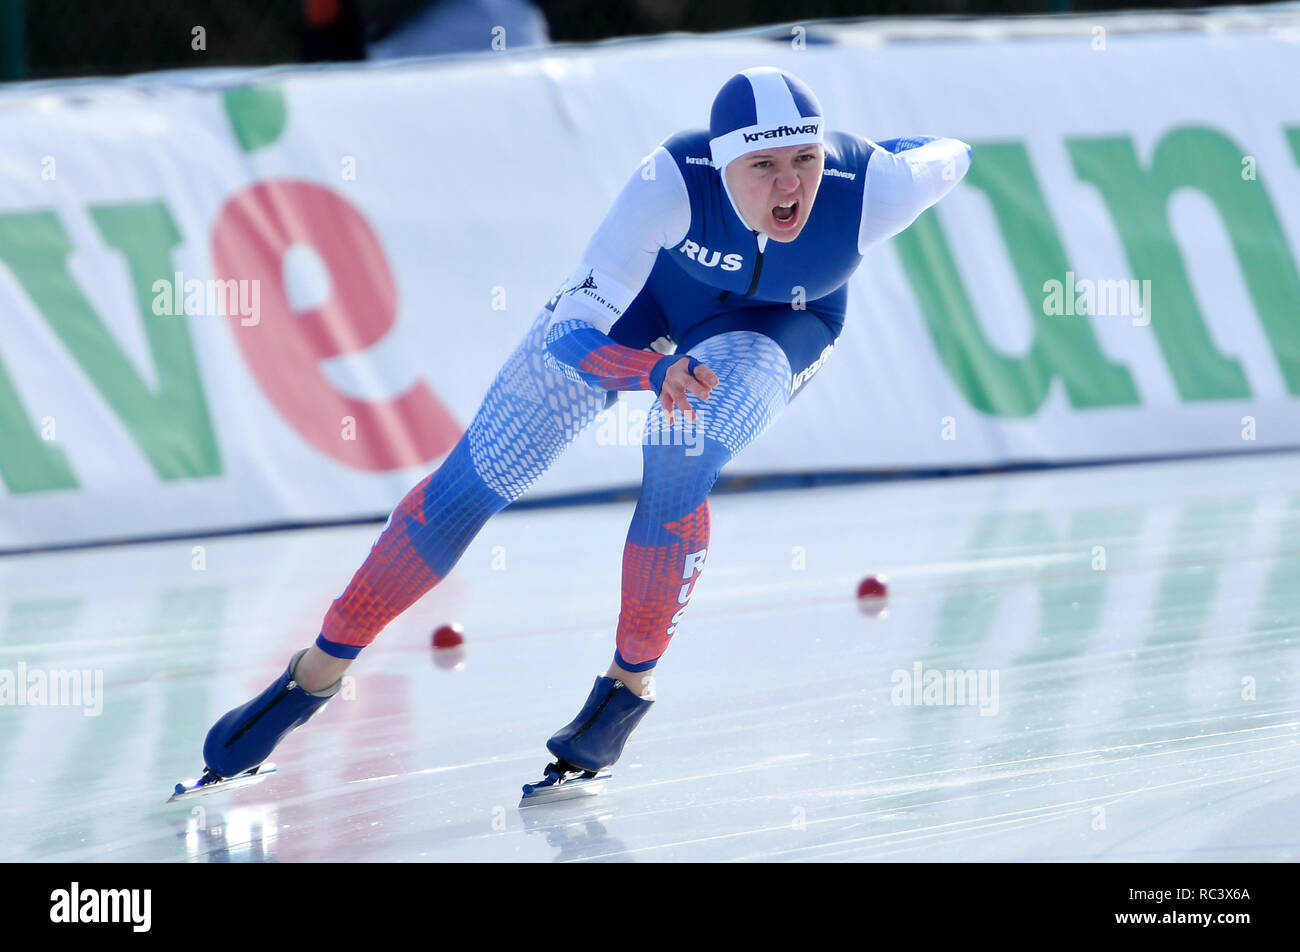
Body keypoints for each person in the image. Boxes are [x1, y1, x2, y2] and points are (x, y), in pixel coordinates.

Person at [196, 66, 972, 788]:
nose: (789, 185)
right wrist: (647, 371)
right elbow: (573, 335)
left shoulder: (874, 186)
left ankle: (627, 688)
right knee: (475, 478)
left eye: (801, 159)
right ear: (721, 162)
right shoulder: (670, 181)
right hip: (642, 317)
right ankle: (315, 675)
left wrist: (882, 153)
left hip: (781, 325)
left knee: (679, 445)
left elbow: (953, 152)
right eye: (762, 167)